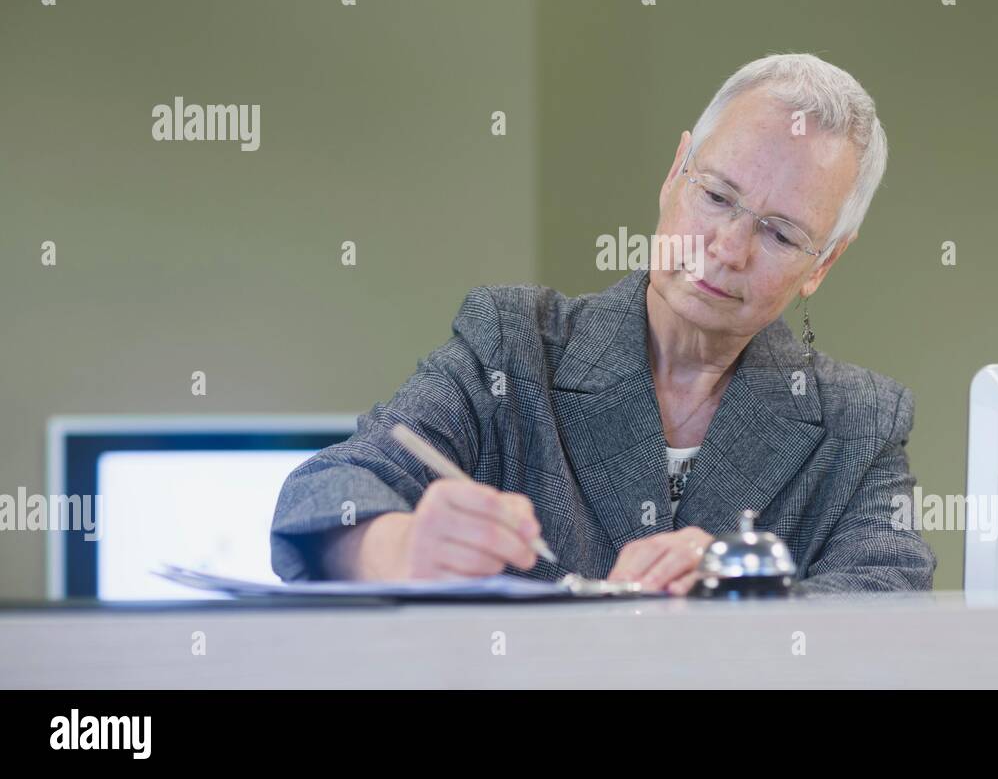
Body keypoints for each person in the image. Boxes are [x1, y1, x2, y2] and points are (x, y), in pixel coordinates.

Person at [270, 53, 937, 595]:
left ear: (824, 262)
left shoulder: (860, 421)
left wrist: (740, 595)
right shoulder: (513, 345)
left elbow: (889, 598)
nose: (728, 248)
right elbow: (324, 494)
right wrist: (401, 547)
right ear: (675, 174)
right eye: (715, 196)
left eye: (781, 233)